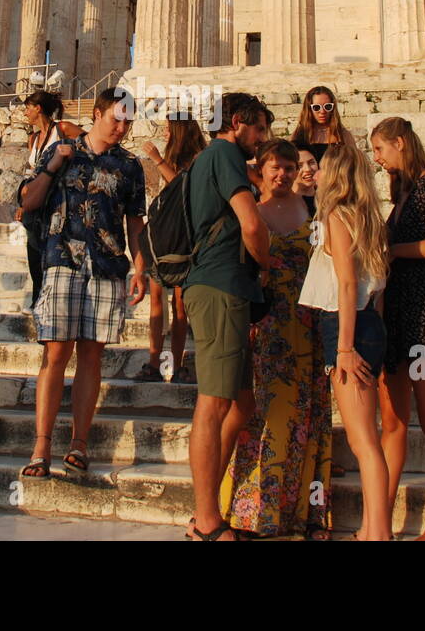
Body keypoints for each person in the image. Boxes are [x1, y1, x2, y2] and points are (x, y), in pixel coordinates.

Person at [18, 87, 147, 478]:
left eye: (128, 121)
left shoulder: (130, 166)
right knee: (55, 354)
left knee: (92, 355)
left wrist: (140, 267)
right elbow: (29, 201)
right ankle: (41, 446)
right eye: (116, 119)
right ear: (97, 113)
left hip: (108, 265)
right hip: (62, 260)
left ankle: (78, 445)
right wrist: (54, 163)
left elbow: (135, 221)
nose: (122, 128)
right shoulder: (61, 150)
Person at [219, 139, 334, 539]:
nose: (283, 174)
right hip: (265, 325)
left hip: (309, 325)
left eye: (289, 167)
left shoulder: (314, 209)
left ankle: (305, 513)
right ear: (261, 170)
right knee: (263, 418)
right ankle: (254, 513)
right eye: (276, 167)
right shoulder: (251, 211)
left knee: (309, 418)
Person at [180, 92, 272, 541]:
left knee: (242, 404)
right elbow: (251, 223)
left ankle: (207, 503)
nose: (261, 141)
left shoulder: (205, 159)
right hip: (220, 285)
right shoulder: (225, 154)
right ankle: (206, 521)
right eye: (257, 130)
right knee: (213, 403)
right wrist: (270, 264)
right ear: (237, 122)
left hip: (222, 285)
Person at [296, 143, 393, 540]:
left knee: (363, 440)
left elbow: (348, 284)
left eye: (320, 169)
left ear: (334, 175)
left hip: (346, 324)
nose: (314, 174)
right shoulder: (367, 215)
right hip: (368, 322)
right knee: (367, 436)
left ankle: (379, 533)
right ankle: (372, 527)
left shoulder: (336, 216)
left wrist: (345, 347)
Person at [371, 116, 425, 540]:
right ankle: (379, 523)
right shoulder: (401, 192)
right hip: (396, 312)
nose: (377, 159)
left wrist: (392, 248)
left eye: (381, 149)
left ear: (401, 143)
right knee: (392, 422)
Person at [133, 115, 206, 383]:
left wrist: (157, 159)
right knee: (156, 303)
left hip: (183, 238)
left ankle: (175, 365)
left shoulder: (199, 158)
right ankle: (154, 363)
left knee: (180, 306)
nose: (164, 133)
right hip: (163, 234)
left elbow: (181, 188)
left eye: (168, 128)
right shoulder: (172, 153)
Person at [14, 91, 84, 308]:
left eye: (28, 107)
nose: (25, 112)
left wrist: (70, 155)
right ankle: (38, 300)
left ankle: (55, 301)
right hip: (36, 204)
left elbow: (88, 145)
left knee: (53, 254)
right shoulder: (33, 139)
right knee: (34, 254)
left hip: (58, 202)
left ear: (38, 108)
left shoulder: (63, 129)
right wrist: (22, 205)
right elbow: (32, 172)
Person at [290, 86, 353, 164]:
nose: (322, 111)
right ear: (309, 109)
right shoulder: (298, 135)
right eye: (316, 107)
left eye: (328, 106)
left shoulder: (343, 135)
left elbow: (354, 163)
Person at [292, 142, 320, 217]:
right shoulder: (286, 204)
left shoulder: (327, 199)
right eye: (300, 165)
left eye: (311, 163)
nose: (307, 169)